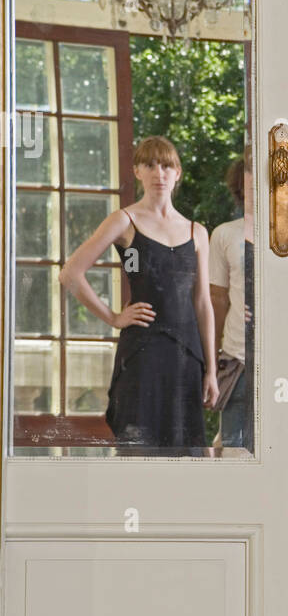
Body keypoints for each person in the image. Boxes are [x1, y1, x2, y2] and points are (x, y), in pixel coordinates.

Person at [59, 135, 218, 450]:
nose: (159, 173)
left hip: (186, 359)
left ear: (177, 173)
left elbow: (203, 304)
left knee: (185, 454)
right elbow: (70, 273)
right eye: (150, 165)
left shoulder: (197, 232)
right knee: (138, 449)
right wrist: (114, 318)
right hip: (142, 354)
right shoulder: (124, 220)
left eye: (166, 166)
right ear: (137, 172)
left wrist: (211, 369)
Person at [210, 146, 253, 450]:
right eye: (249, 173)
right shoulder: (224, 234)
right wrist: (211, 360)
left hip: (285, 363)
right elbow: (216, 299)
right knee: (233, 450)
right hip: (237, 360)